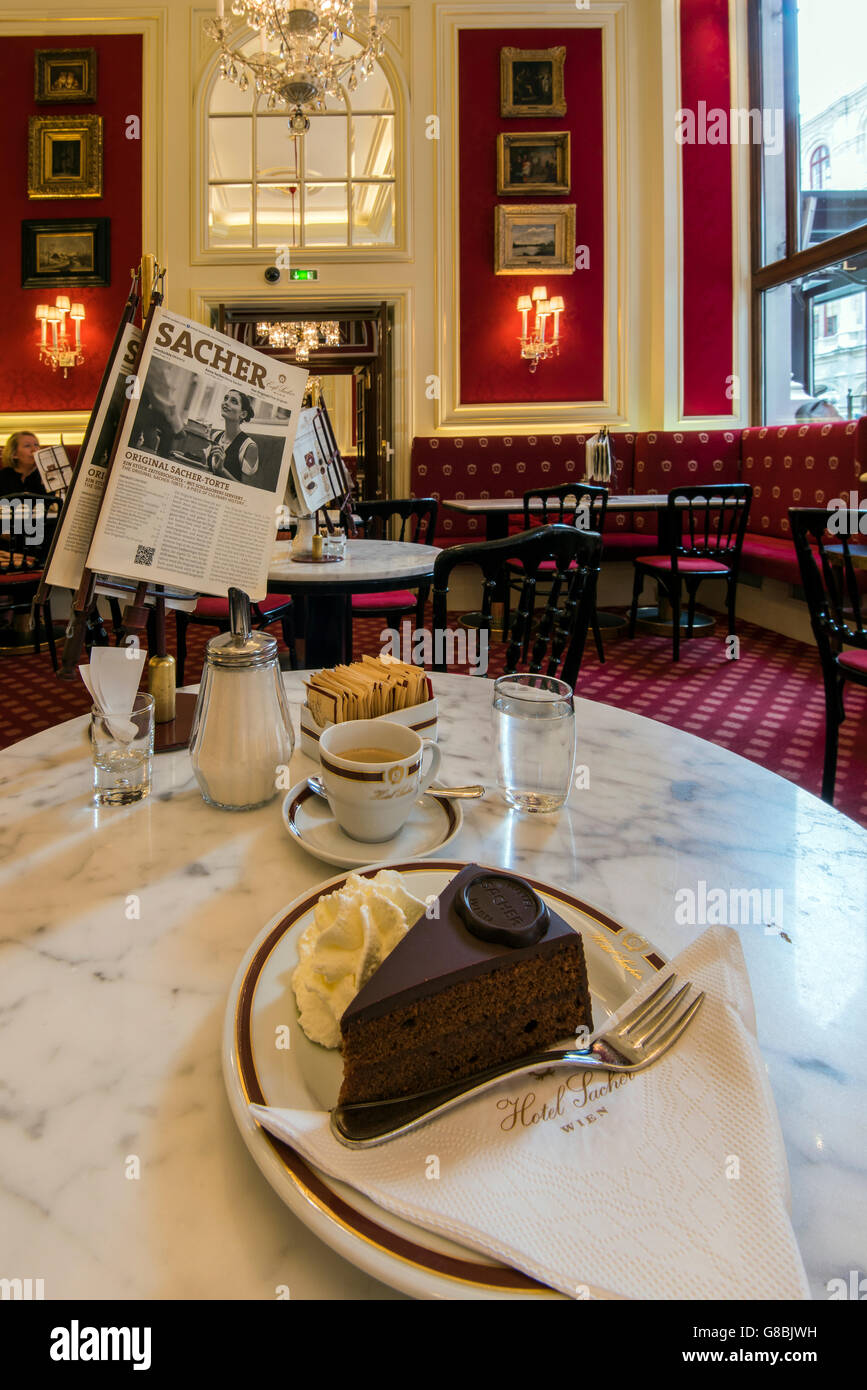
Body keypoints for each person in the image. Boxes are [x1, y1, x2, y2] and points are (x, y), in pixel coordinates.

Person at [204, 390, 259, 485]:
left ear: (243, 414)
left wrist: (222, 470)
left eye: (233, 401)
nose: (226, 402)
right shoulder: (215, 436)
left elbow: (247, 490)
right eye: (226, 398)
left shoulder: (250, 446)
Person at [0, 431, 47, 496]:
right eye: (27, 446)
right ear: (14, 454)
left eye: (36, 445)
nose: (34, 449)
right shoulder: (3, 477)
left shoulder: (46, 475)